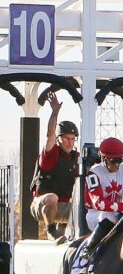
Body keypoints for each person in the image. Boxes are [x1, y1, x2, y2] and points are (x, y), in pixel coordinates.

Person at [77, 137, 123, 273]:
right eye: (112, 161)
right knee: (109, 215)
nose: (116, 165)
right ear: (103, 158)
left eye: (119, 160)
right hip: (96, 215)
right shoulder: (93, 173)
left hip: (119, 213)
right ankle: (89, 248)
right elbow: (98, 203)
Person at [29, 92, 78, 243]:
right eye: (66, 139)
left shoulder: (77, 158)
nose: (69, 143)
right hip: (42, 204)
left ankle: (72, 237)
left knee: (88, 207)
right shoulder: (51, 153)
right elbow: (50, 135)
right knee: (52, 198)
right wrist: (55, 112)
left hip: (65, 208)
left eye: (72, 139)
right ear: (59, 140)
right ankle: (50, 231)